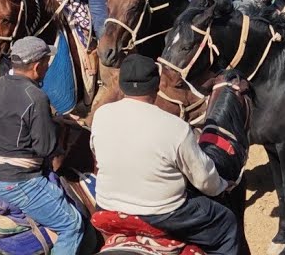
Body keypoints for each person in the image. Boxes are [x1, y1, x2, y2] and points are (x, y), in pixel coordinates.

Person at [92, 55, 239, 254]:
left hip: (106, 205)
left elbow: (96, 152)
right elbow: (205, 181)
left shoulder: (101, 115)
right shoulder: (176, 127)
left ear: (122, 85)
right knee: (226, 223)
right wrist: (222, 186)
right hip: (163, 213)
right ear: (157, 86)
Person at [0, 36, 85, 255]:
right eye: (47, 62)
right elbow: (45, 148)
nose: (47, 67)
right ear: (38, 66)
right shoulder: (36, 97)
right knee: (71, 225)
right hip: (15, 182)